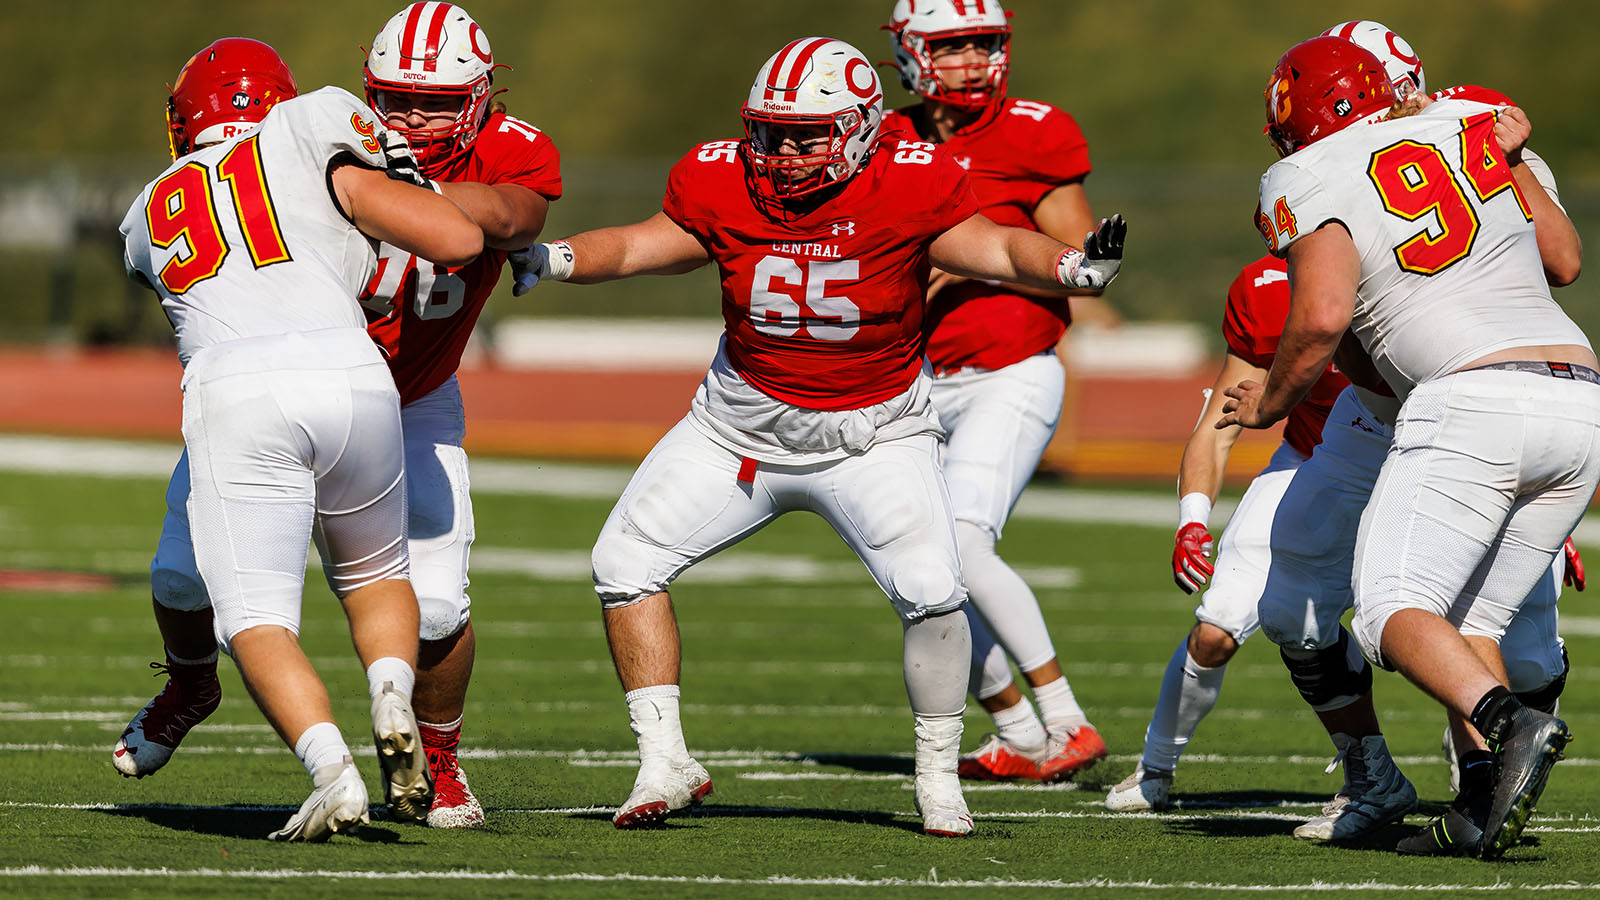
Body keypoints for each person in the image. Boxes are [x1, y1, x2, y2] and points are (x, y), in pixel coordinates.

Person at [510, 36, 1126, 836]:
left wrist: (1072, 269)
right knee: (623, 564)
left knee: (935, 593)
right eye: (771, 133)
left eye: (808, 134)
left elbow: (998, 245)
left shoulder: (909, 179)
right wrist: (556, 258)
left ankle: (940, 778)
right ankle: (664, 761)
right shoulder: (720, 174)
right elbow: (640, 243)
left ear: (864, 128)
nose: (786, 152)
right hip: (737, 430)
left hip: (873, 438)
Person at [1109, 24, 1584, 848]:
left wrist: (1268, 404)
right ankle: (1462, 803)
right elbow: (1567, 262)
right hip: (1564, 393)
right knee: (1426, 613)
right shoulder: (1479, 123)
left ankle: (1507, 730)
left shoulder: (1310, 170)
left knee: (1391, 612)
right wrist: (1506, 159)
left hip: (1454, 397)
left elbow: (1323, 316)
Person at [114, 4, 561, 830]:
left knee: (430, 606)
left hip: (396, 394)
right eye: (391, 98)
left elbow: (509, 215)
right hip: (349, 375)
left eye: (432, 102)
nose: (410, 116)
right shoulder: (315, 131)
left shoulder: (177, 194)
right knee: (183, 580)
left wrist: (394, 183)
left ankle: (435, 760)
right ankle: (191, 683)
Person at [879, 0, 1108, 783]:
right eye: (953, 46)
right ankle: (1015, 728)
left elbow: (1083, 259)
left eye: (985, 44)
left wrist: (970, 259)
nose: (974, 60)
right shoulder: (887, 137)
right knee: (917, 568)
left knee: (965, 543)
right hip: (918, 382)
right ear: (910, 52)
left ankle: (1067, 720)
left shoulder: (1034, 130)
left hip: (1012, 368)